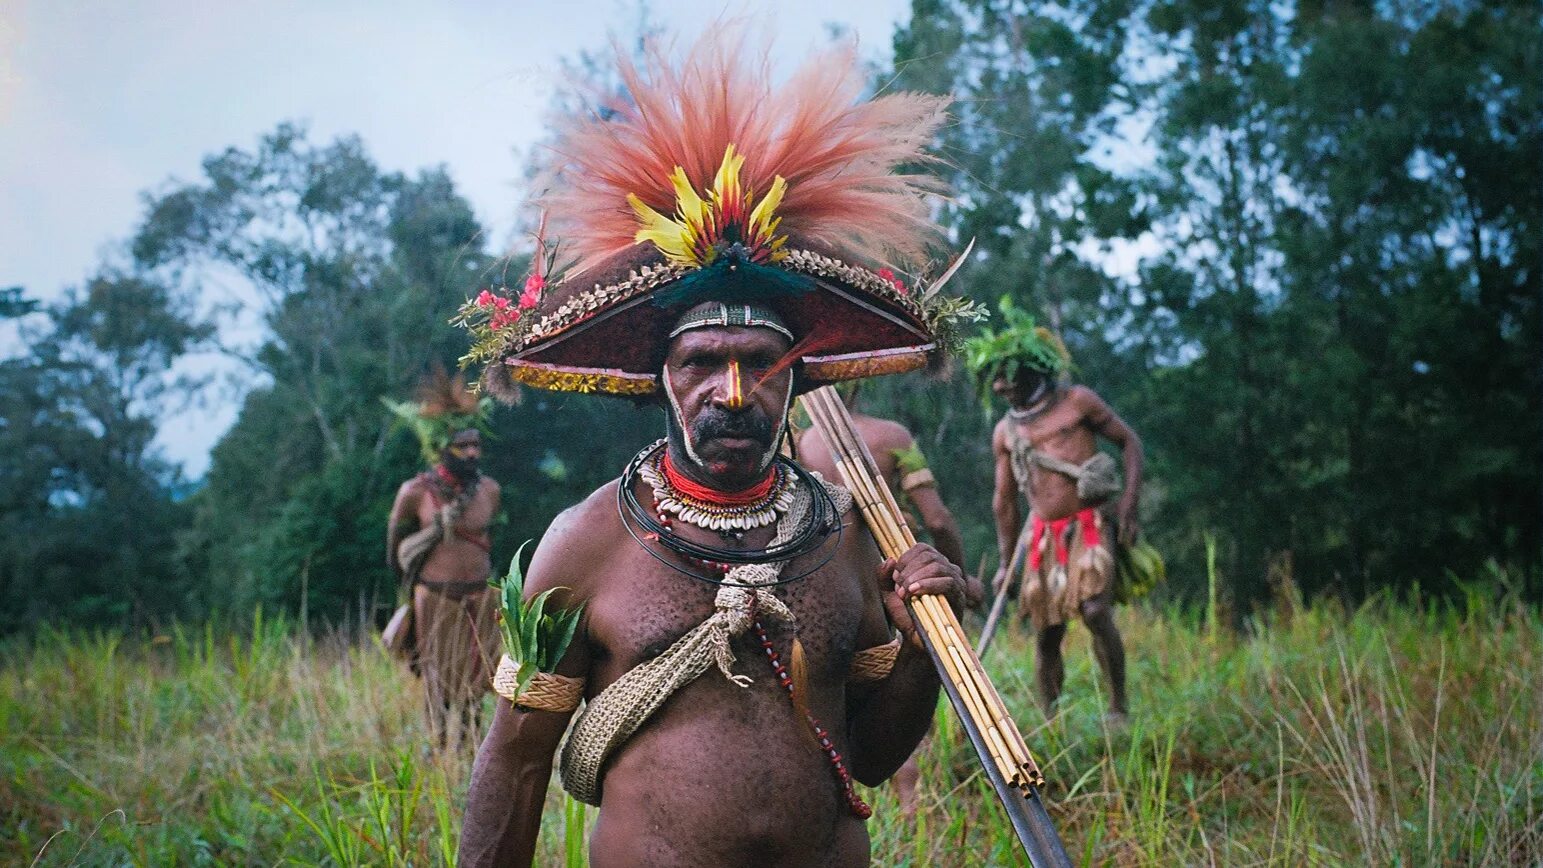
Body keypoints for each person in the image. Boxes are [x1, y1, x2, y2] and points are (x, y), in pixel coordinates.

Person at [455, 31, 979, 867]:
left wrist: (922, 649)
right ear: (659, 378)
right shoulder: (587, 542)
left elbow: (872, 759)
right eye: (702, 363)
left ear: (794, 384)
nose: (732, 393)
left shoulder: (844, 536)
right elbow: (515, 764)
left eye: (761, 366)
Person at [793, 382, 981, 818]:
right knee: (906, 677)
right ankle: (911, 802)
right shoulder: (892, 437)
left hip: (832, 582)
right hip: (899, 575)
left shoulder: (799, 443)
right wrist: (956, 580)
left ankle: (894, 797)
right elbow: (937, 517)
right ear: (857, 379)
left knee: (854, 689)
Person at [967, 297, 1143, 722]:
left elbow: (1130, 443)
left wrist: (1129, 506)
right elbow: (1004, 503)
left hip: (1090, 524)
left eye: (1008, 376)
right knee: (1047, 631)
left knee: (1096, 611)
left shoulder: (1077, 402)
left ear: (1033, 370)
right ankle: (1050, 717)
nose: (999, 386)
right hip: (1043, 538)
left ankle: (1119, 708)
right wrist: (1007, 562)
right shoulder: (1006, 432)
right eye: (994, 378)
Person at [384, 371, 502, 749]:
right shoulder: (415, 493)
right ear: (440, 447)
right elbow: (395, 548)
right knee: (438, 680)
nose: (472, 452)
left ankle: (469, 752)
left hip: (480, 600)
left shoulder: (489, 490)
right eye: (462, 445)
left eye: (475, 445)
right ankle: (437, 753)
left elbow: (488, 541)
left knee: (476, 679)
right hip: (436, 599)